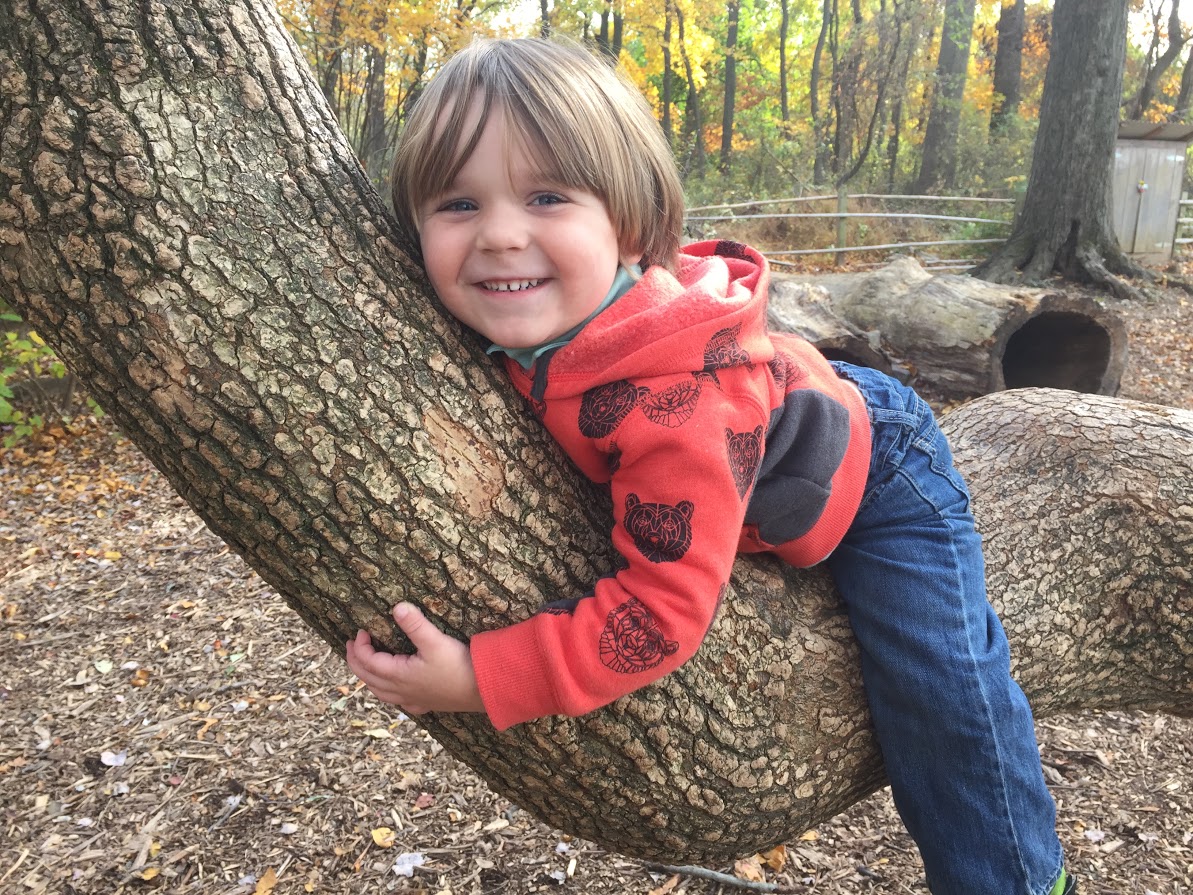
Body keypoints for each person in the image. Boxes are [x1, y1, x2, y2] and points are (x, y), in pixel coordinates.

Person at [344, 37, 1073, 895]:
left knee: (941, 682)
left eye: (547, 196)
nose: (501, 234)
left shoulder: (677, 410)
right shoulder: (516, 316)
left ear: (629, 221)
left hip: (879, 470)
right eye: (457, 204)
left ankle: (1018, 878)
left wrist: (482, 677)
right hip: (774, 422)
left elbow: (657, 617)